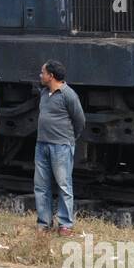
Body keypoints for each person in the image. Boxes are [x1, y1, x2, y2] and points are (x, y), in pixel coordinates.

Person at [34, 59, 86, 236]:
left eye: (43, 73)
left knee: (63, 185)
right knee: (41, 186)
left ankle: (65, 224)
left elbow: (80, 120)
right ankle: (44, 222)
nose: (40, 75)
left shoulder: (68, 95)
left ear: (51, 76)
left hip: (61, 146)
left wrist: (70, 139)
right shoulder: (43, 93)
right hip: (42, 145)